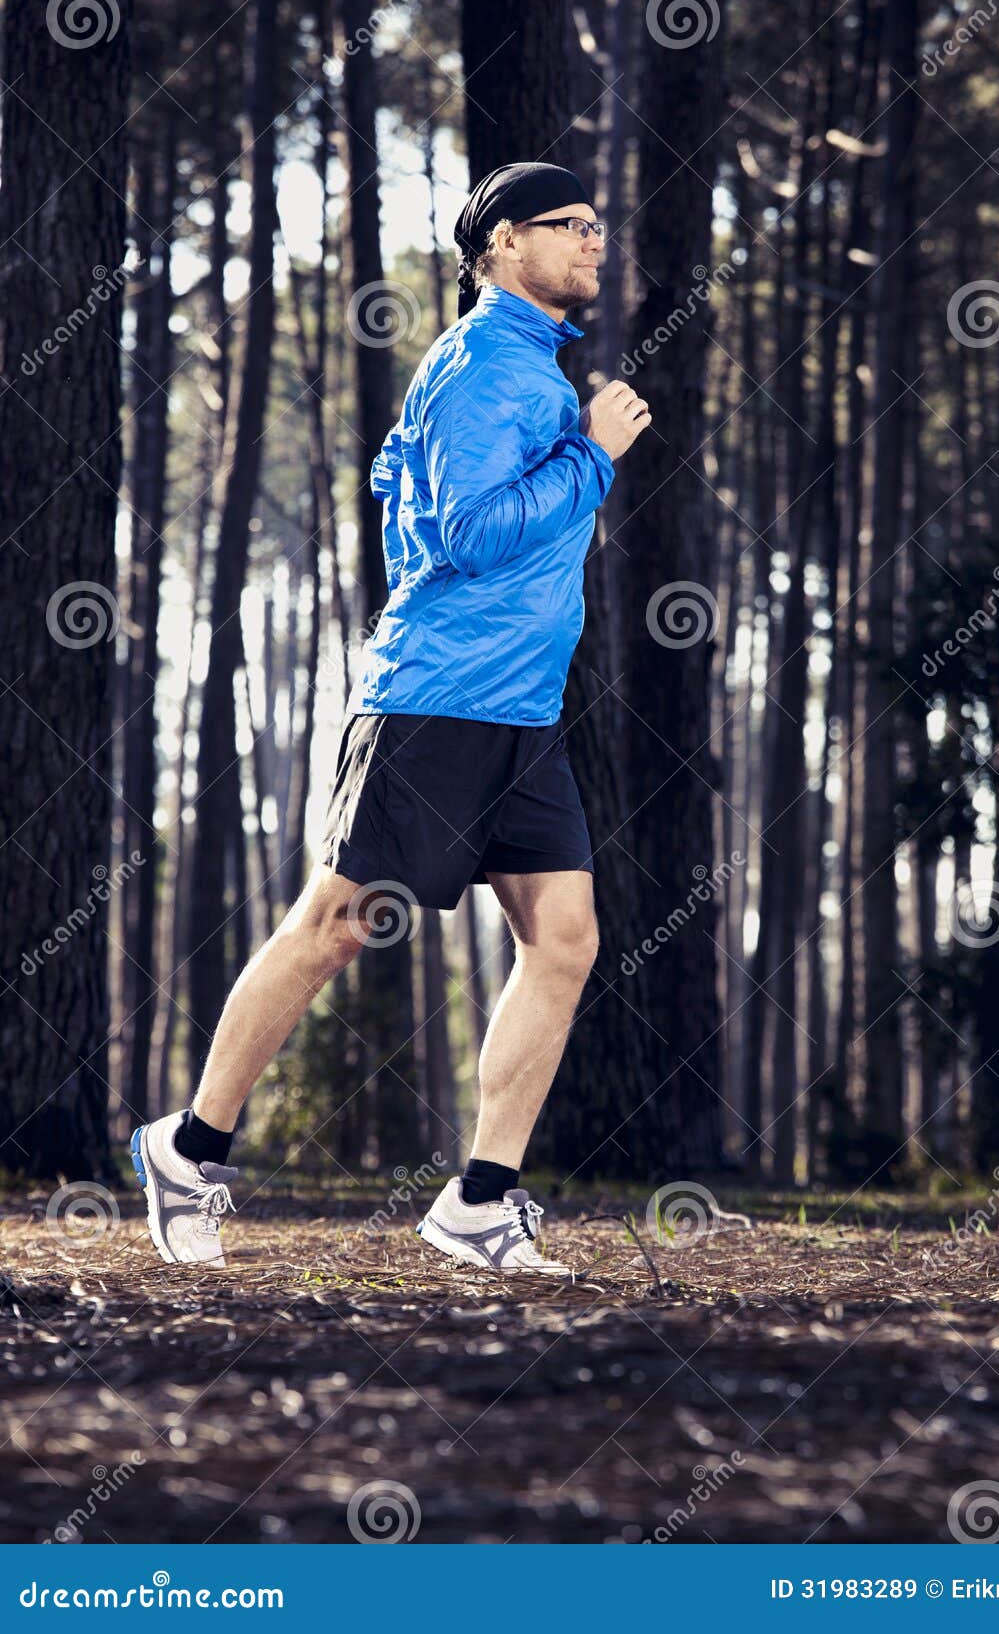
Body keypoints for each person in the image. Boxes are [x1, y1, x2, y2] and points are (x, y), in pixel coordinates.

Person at [131, 161, 652, 1272]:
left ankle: (478, 1201)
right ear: (502, 242)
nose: (593, 241)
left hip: (521, 709)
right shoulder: (481, 364)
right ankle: (188, 1148)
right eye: (569, 225)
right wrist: (592, 456)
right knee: (334, 926)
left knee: (563, 941)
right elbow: (469, 533)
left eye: (597, 226)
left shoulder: (523, 366)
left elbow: (412, 493)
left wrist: (566, 450)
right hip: (436, 697)